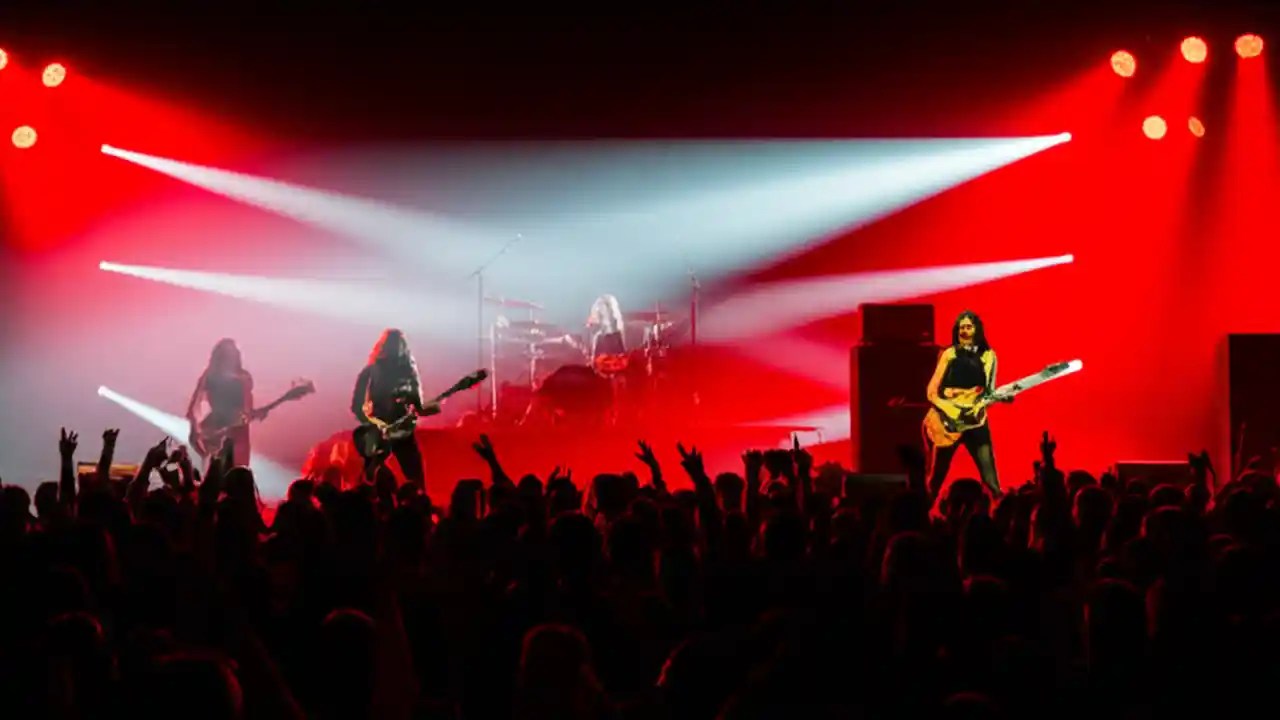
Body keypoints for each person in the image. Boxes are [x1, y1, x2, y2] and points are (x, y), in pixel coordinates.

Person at [923, 311, 1005, 499]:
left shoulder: (989, 356)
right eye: (961, 328)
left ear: (977, 330)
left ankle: (1000, 514)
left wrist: (997, 398)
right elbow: (931, 392)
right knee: (935, 480)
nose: (964, 331)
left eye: (968, 327)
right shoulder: (948, 354)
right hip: (948, 424)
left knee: (991, 482)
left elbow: (989, 393)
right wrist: (949, 409)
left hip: (976, 422)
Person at [351, 329, 438, 486]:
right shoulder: (374, 371)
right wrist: (377, 423)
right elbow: (357, 406)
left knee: (411, 475)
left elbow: (418, 405)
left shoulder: (406, 371)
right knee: (375, 477)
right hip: (383, 432)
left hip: (397, 430)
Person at [187, 338, 258, 467]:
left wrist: (249, 415)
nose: (231, 357)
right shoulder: (210, 375)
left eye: (233, 353)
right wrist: (195, 429)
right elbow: (194, 405)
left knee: (237, 470)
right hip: (216, 426)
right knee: (216, 470)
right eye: (227, 354)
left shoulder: (244, 377)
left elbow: (248, 408)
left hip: (238, 432)